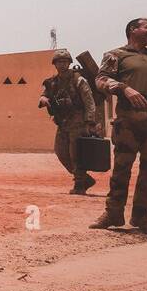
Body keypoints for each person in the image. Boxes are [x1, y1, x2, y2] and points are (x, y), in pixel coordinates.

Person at [90, 18, 147, 235]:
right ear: (132, 30)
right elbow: (101, 80)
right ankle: (113, 213)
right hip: (128, 121)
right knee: (122, 168)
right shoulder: (116, 55)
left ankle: (141, 215)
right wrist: (123, 88)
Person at [38, 49, 100, 195]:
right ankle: (85, 178)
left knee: (76, 153)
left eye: (65, 61)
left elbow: (89, 101)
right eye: (59, 62)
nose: (62, 64)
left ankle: (79, 184)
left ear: (69, 63)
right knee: (60, 151)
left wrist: (90, 121)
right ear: (55, 64)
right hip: (62, 121)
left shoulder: (78, 79)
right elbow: (43, 95)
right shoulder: (52, 82)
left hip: (77, 119)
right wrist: (43, 99)